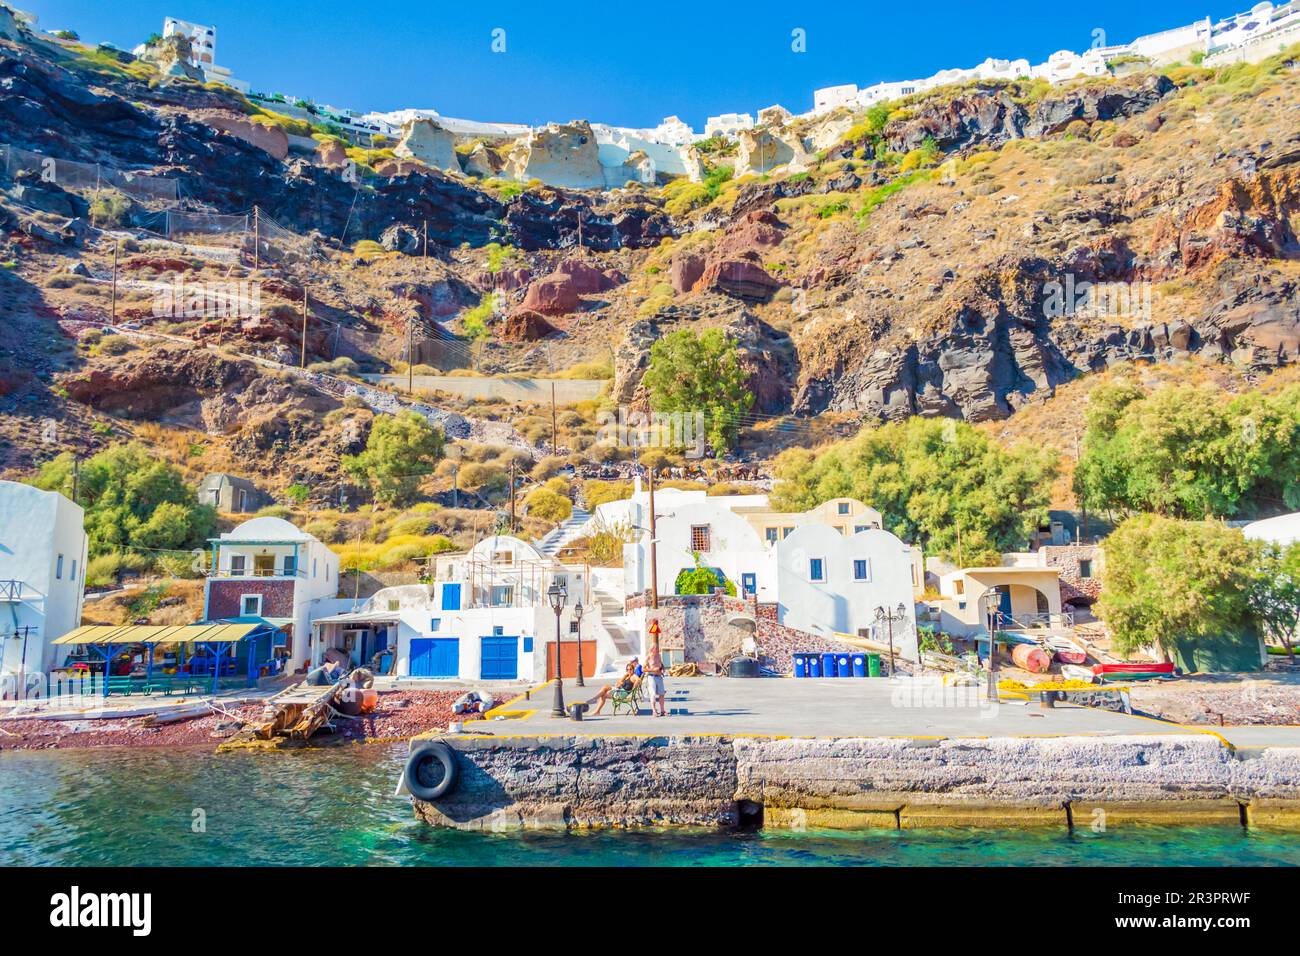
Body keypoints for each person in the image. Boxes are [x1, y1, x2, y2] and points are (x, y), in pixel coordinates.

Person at [644, 634, 667, 717]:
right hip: (652, 677)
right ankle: (654, 711)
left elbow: (661, 664)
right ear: (652, 649)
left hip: (659, 677)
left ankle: (662, 711)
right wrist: (652, 670)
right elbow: (643, 669)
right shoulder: (648, 657)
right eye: (656, 649)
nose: (657, 650)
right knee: (653, 694)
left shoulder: (659, 656)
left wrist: (663, 669)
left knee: (662, 694)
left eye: (658, 649)